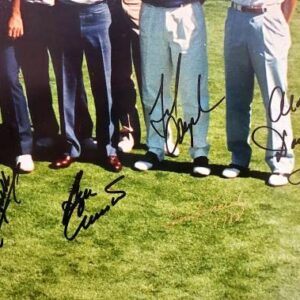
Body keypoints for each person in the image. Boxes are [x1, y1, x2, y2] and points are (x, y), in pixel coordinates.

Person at [222, 0, 297, 186]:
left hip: (268, 16)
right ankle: (238, 158)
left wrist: (279, 20)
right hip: (236, 16)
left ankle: (281, 162)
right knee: (236, 93)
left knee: (274, 97)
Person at [134, 0, 210, 175]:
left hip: (186, 12)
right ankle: (155, 147)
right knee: (154, 86)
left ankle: (199, 152)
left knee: (192, 86)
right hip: (152, 12)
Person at [51, 0, 122, 172]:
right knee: (67, 84)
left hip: (96, 12)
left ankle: (109, 149)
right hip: (65, 13)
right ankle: (71, 146)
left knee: (103, 84)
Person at [18, 0, 94, 150]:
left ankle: (82, 131)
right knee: (35, 72)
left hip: (62, 9)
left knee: (70, 73)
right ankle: (45, 131)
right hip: (30, 9)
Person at [0, 0, 34, 172]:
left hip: (4, 13)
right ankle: (8, 135)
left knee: (8, 77)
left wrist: (15, 13)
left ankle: (23, 147)